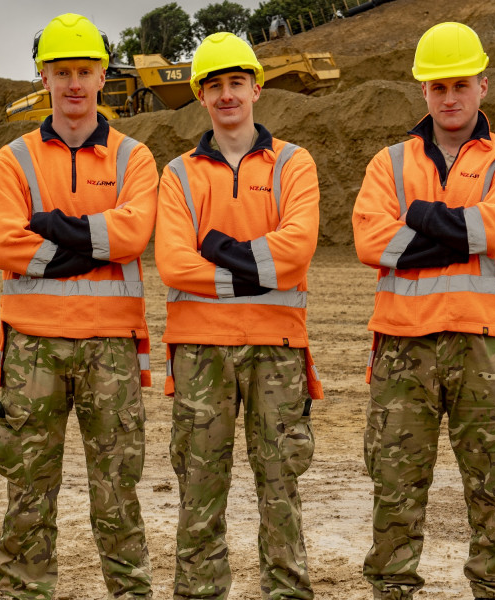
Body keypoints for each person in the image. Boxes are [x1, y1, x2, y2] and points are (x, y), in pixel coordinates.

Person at [350, 22, 495, 600]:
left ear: (484, 86)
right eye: (438, 87)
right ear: (423, 92)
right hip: (402, 350)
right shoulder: (388, 164)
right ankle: (392, 589)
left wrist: (420, 218)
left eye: (460, 84)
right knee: (396, 486)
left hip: (483, 347)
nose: (450, 97)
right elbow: (370, 242)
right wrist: (460, 229)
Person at [0, 13, 157, 600]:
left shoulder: (135, 158)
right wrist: (94, 244)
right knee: (29, 497)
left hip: (111, 349)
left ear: (104, 74)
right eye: (63, 72)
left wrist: (51, 230)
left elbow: (134, 236)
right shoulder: (13, 160)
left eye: (84, 71)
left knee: (118, 497)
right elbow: (5, 243)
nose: (74, 84)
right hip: (33, 349)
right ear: (43, 76)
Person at [155, 31, 324, 600]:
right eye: (214, 86)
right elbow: (175, 264)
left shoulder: (295, 165)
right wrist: (257, 267)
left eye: (236, 83)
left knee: (281, 491)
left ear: (256, 88)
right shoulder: (177, 174)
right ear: (201, 95)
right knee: (200, 492)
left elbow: (297, 249)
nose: (227, 95)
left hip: (276, 348)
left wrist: (217, 249)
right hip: (200, 353)